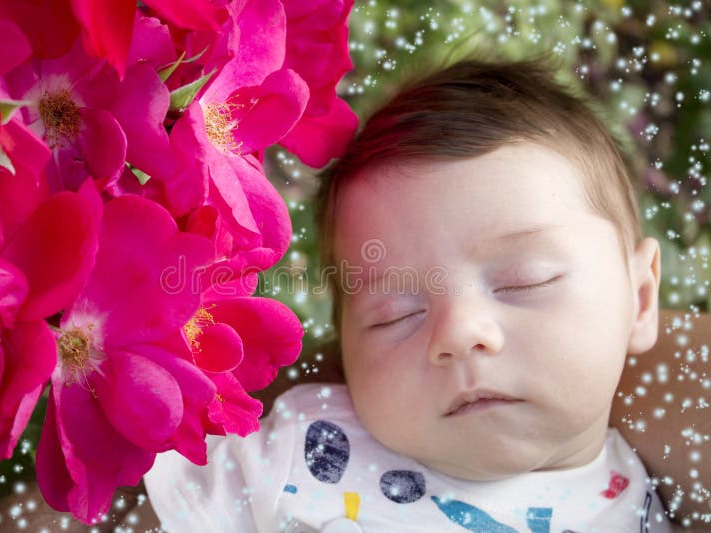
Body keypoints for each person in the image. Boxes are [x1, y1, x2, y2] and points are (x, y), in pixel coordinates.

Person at [144, 56, 674, 532]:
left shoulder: (660, 497)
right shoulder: (300, 450)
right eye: (395, 316)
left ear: (642, 297)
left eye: (524, 281)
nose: (460, 333)